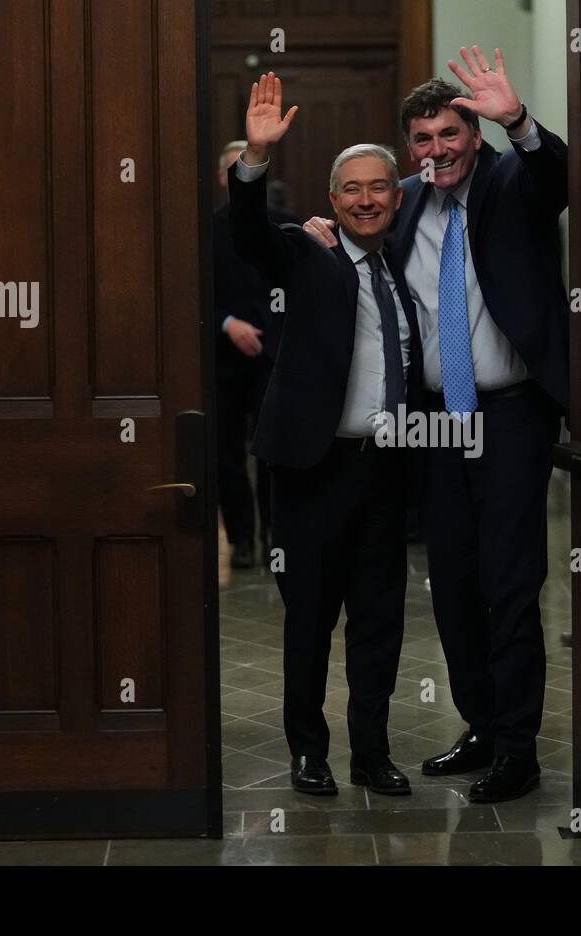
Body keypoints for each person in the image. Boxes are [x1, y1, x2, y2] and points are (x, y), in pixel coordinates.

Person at [308, 46, 569, 803]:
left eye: (449, 134)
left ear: (474, 134)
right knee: (452, 585)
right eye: (421, 140)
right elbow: (361, 236)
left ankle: (519, 750)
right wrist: (318, 235)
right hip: (436, 426)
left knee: (511, 585)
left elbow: (559, 174)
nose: (436, 151)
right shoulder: (410, 203)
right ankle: (483, 725)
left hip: (511, 416)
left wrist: (518, 118)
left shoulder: (513, 181)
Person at [229, 73, 424, 796]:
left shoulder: (406, 271)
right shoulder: (304, 252)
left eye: (379, 187)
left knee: (379, 623)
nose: (367, 199)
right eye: (352, 189)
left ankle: (371, 752)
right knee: (309, 621)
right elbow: (246, 232)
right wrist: (255, 156)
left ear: (396, 199)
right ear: (332, 201)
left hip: (385, 474)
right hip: (311, 470)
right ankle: (308, 750)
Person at [213, 141, 298, 568]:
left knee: (271, 451)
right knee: (226, 453)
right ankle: (242, 538)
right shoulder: (205, 229)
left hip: (276, 355)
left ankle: (273, 536)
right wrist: (227, 323)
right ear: (222, 178)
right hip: (223, 359)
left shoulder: (286, 225)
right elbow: (191, 293)